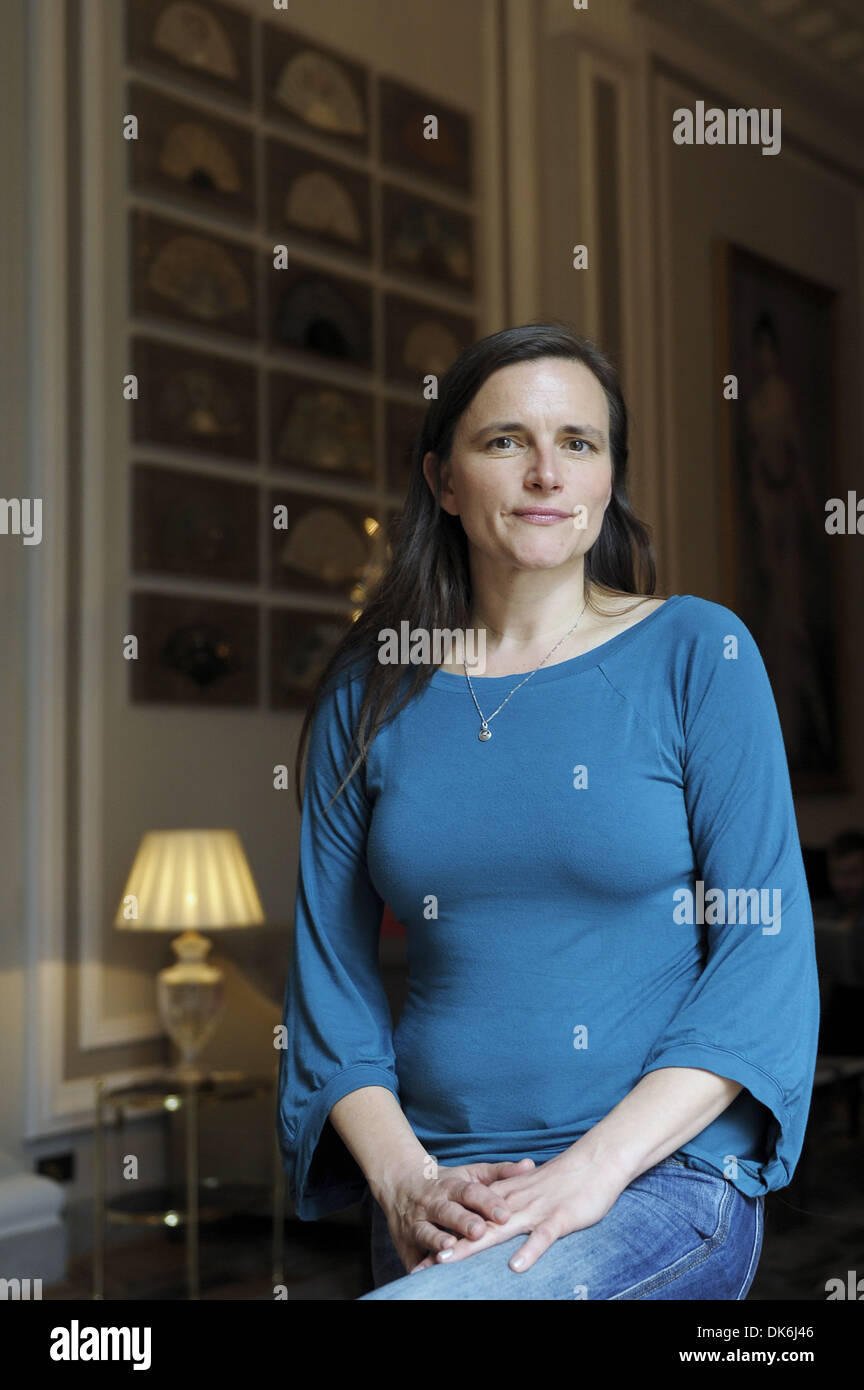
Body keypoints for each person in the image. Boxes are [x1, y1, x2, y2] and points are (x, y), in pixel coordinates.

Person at [275, 322, 820, 1300]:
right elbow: (330, 982)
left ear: (609, 475)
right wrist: (406, 1183)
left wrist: (591, 1169)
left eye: (578, 442)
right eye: (504, 442)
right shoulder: (369, 693)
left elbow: (762, 956)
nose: (545, 472)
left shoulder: (699, 652)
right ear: (442, 480)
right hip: (443, 1190)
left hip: (660, 1177)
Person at [814, 829, 864, 1055]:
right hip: (829, 1024)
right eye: (837, 874)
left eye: (853, 873)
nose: (844, 883)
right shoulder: (822, 913)